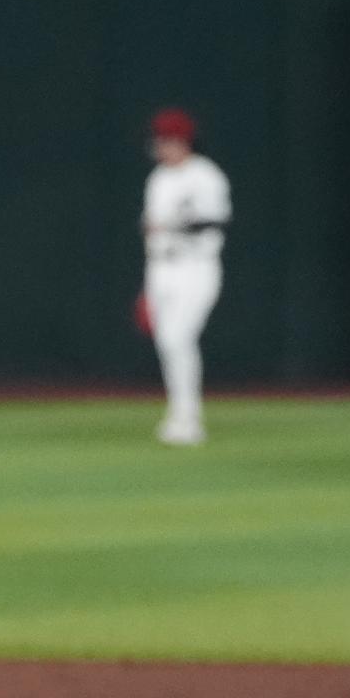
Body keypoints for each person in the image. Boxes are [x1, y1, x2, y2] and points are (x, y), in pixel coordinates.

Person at [139, 108, 230, 446]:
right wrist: (147, 286)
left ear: (186, 141)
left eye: (170, 139)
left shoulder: (205, 176)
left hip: (196, 267)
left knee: (177, 338)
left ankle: (189, 418)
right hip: (161, 267)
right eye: (160, 140)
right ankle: (179, 413)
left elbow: (216, 221)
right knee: (167, 342)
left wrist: (172, 226)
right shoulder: (159, 178)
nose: (163, 146)